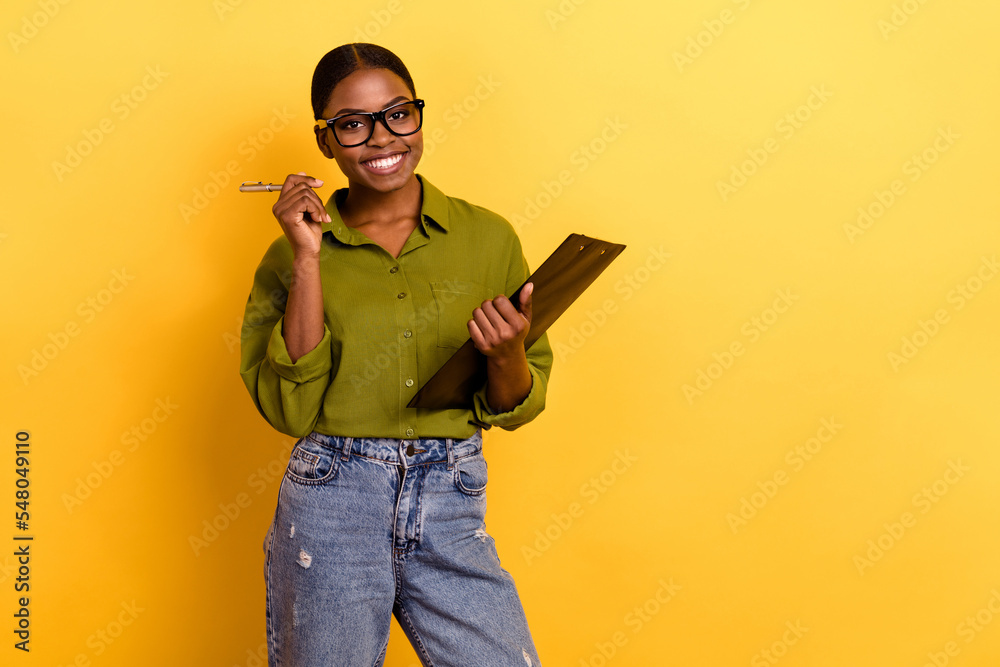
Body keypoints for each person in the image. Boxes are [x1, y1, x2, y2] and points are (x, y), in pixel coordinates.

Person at [239, 42, 553, 666]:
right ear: (326, 142)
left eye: (398, 113)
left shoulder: (487, 237)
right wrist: (307, 257)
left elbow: (516, 404)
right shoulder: (292, 253)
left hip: (451, 492)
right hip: (334, 499)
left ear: (417, 116)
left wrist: (506, 351)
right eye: (353, 124)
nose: (382, 138)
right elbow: (290, 411)